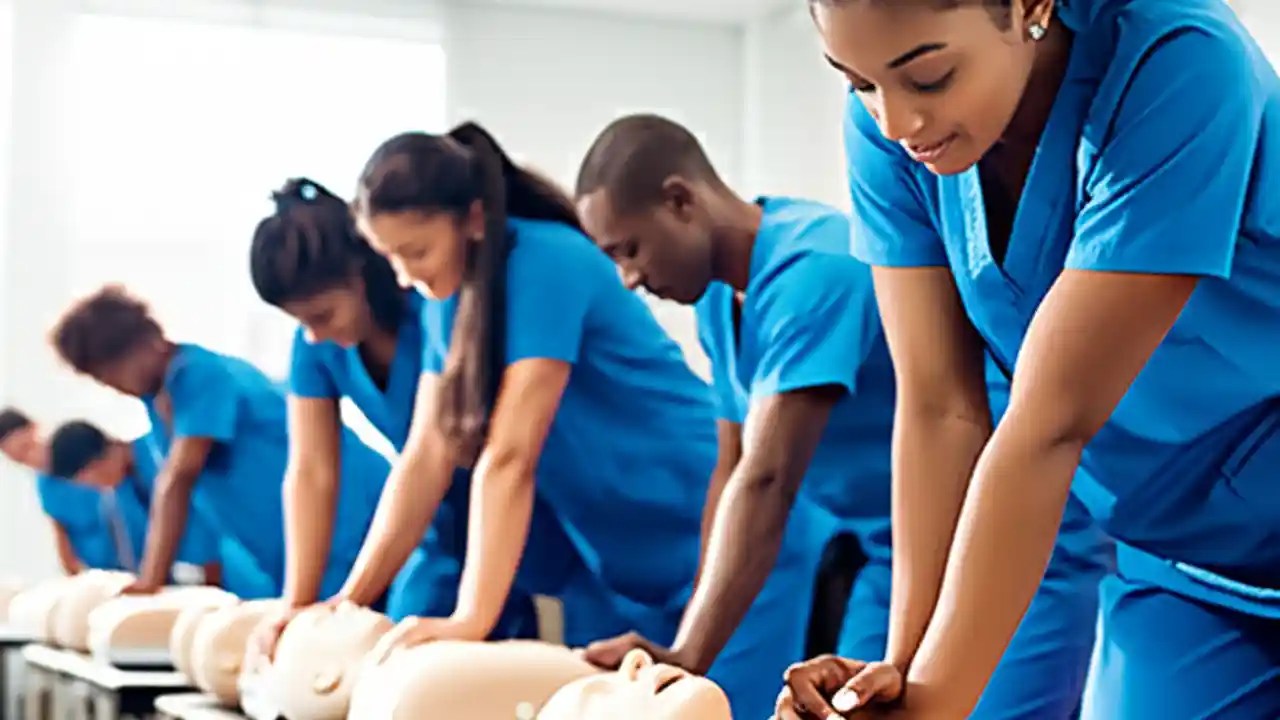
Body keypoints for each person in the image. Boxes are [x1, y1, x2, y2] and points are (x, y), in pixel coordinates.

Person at [778, 0, 1280, 718]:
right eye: (857, 81)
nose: (892, 122)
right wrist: (897, 676)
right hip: (1182, 565)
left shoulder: (1179, 60)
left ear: (1030, 6)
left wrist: (928, 710)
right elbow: (939, 407)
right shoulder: (889, 138)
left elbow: (1050, 422)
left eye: (928, 76)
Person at [574, 114, 1106, 720]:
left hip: (1011, 541)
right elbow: (733, 473)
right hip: (895, 556)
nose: (630, 278)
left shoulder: (815, 268)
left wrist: (686, 657)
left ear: (680, 201)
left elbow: (769, 482)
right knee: (845, 712)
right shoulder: (720, 303)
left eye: (630, 250)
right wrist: (686, 640)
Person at [332, 121, 738, 708]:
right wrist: (347, 605)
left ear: (472, 219)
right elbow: (425, 457)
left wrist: (472, 618)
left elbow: (510, 456)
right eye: (389, 257)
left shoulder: (547, 261)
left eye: (415, 251)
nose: (405, 276)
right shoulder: (451, 299)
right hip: (620, 566)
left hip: (713, 533)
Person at [248, 177, 564, 644]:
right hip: (432, 525)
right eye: (301, 322)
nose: (313, 335)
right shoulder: (316, 346)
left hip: (514, 506)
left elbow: (433, 453)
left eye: (322, 315)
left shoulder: (436, 308)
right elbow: (311, 471)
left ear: (361, 275)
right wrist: (298, 601)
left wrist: (349, 597)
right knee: (401, 650)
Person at [48, 286, 391, 601]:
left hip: (354, 522)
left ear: (143, 343)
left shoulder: (200, 375)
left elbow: (178, 479)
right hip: (295, 551)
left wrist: (149, 582)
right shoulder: (161, 402)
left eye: (109, 373)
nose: (111, 386)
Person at [47, 419, 277, 597]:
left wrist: (209, 591)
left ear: (100, 459)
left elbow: (205, 527)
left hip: (242, 570)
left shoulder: (162, 451)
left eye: (93, 478)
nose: (97, 486)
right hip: (196, 583)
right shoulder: (123, 490)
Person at [1, 408, 130, 575]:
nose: (31, 460)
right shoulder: (46, 488)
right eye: (20, 460)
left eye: (28, 448)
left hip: (141, 560)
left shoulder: (82, 450)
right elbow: (63, 541)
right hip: (102, 573)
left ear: (35, 427)